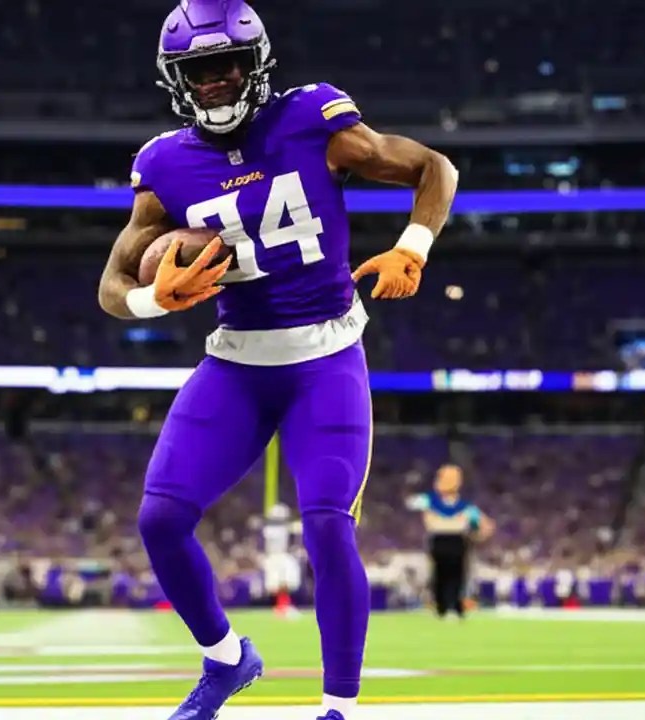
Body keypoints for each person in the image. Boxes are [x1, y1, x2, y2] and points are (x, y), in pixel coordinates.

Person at [96, 0, 458, 716]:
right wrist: (152, 302)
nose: (218, 83)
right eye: (200, 71)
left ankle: (338, 708)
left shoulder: (312, 120)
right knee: (160, 520)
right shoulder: (165, 164)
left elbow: (432, 168)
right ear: (177, 78)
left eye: (228, 64)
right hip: (235, 364)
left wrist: (413, 248)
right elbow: (111, 284)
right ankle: (226, 659)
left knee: (326, 525)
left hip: (325, 359)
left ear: (256, 62)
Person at [405, 464, 492, 620]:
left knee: (458, 574)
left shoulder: (465, 506)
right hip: (439, 540)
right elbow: (410, 502)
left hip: (457, 541)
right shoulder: (430, 500)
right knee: (440, 573)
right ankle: (442, 607)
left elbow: (485, 524)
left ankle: (456, 606)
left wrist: (476, 535)